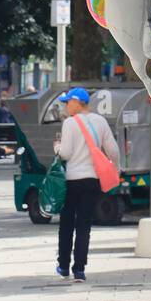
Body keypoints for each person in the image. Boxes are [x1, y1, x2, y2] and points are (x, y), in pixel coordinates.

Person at [54, 87, 120, 282]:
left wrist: (57, 147)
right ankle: (80, 269)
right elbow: (113, 150)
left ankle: (64, 266)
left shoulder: (70, 123)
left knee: (66, 224)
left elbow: (65, 154)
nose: (66, 106)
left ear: (76, 103)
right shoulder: (100, 122)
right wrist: (114, 168)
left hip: (73, 181)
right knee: (84, 225)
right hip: (93, 181)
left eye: (67, 102)